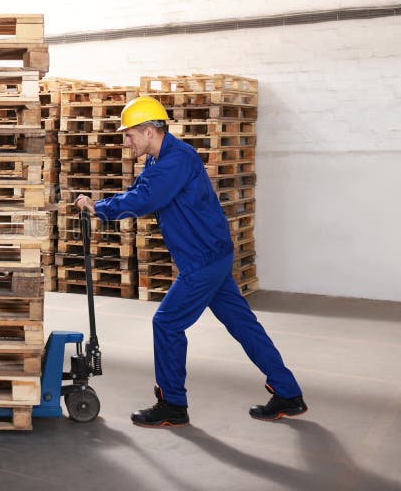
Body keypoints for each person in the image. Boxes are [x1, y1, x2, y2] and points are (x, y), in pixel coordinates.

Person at [74, 96, 307, 427]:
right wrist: (103, 204)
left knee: (166, 323)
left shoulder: (177, 159)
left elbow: (144, 200)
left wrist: (99, 208)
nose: (126, 142)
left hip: (203, 259)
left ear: (150, 131)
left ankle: (172, 404)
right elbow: (141, 192)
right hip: (210, 255)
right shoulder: (157, 162)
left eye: (130, 135)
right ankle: (289, 393)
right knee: (243, 325)